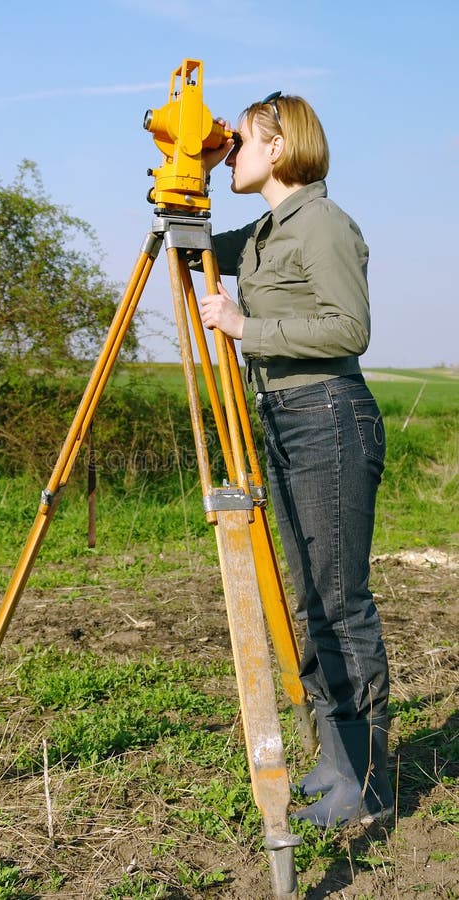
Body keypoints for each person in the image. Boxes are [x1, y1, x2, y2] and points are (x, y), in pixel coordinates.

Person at [197, 93, 393, 828]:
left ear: (278, 148)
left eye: (242, 141)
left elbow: (350, 327)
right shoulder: (263, 232)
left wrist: (246, 326)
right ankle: (335, 761)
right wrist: (199, 166)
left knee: (339, 601)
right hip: (285, 419)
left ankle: (366, 783)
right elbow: (189, 246)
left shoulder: (323, 224)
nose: (234, 151)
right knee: (312, 598)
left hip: (328, 417)